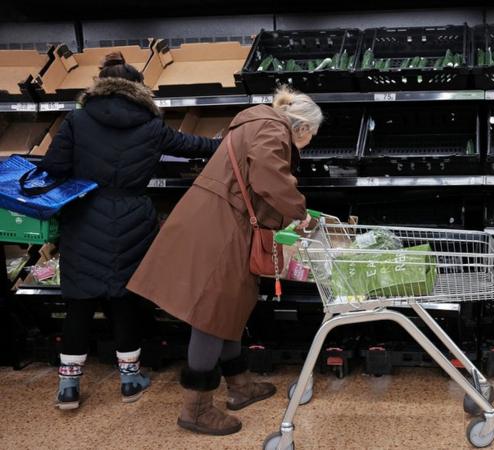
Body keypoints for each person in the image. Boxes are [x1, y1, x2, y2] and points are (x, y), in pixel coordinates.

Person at [128, 86, 321, 435]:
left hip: (216, 220)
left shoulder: (255, 122)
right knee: (210, 312)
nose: (306, 145)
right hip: (220, 228)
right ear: (302, 128)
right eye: (310, 138)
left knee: (230, 304)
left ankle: (239, 385)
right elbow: (268, 177)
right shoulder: (273, 129)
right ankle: (196, 408)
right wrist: (299, 213)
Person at [40, 52, 220, 410]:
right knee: (125, 302)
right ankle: (130, 381)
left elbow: (53, 167)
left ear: (99, 85)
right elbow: (195, 147)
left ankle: (69, 389)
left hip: (84, 216)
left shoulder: (77, 121)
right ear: (139, 88)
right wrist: (232, 142)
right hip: (133, 219)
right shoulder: (151, 126)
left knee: (78, 304)